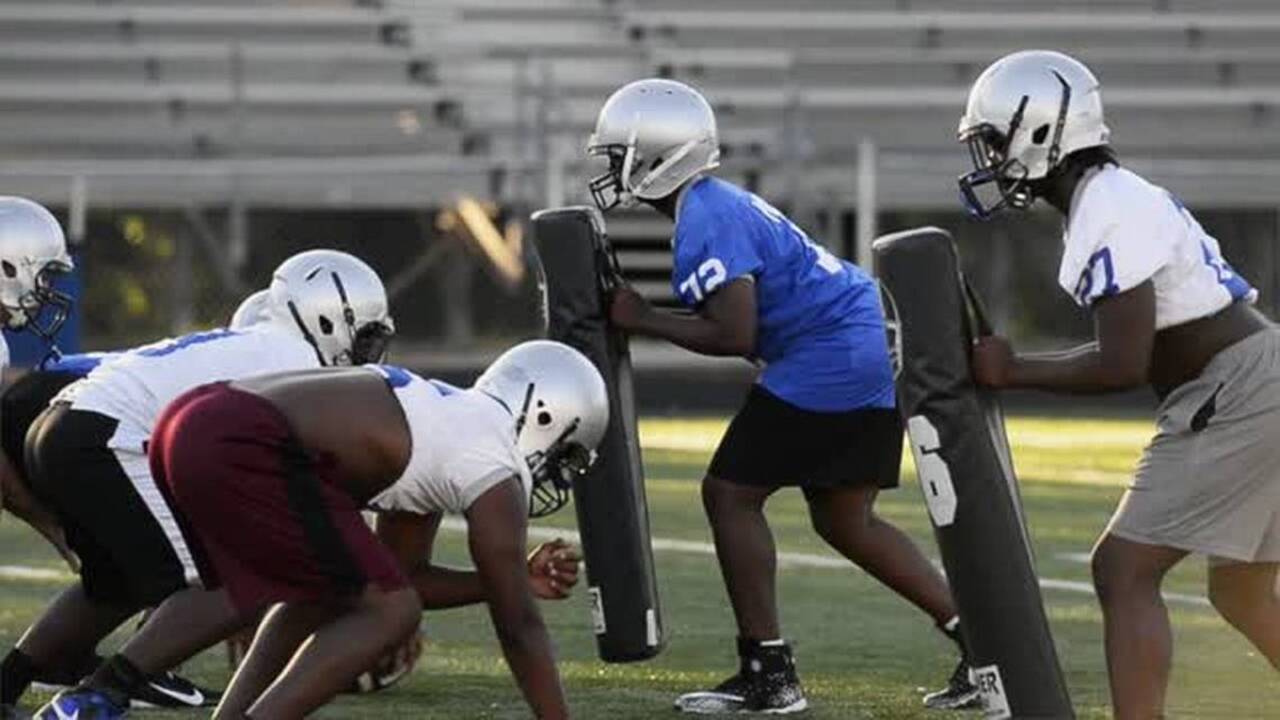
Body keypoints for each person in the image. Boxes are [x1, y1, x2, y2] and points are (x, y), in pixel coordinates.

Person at [587, 78, 976, 714]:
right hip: (862, 341)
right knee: (846, 519)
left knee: (729, 496)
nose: (609, 167)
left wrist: (641, 317)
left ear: (656, 154)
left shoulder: (705, 215)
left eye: (617, 153)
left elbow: (732, 331)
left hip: (828, 354)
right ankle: (982, 643)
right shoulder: (714, 202)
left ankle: (769, 670)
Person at [959, 50, 1280, 720]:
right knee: (1241, 587)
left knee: (1123, 570)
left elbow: (1120, 366)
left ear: (1041, 130)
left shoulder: (1108, 208)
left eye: (993, 142)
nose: (989, 161)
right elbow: (1130, 347)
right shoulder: (1111, 198)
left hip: (1241, 388)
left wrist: (1014, 370)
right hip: (1258, 375)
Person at [0, 250, 394, 719]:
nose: (369, 351)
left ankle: (8, 684)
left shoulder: (260, 345)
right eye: (367, 336)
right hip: (104, 433)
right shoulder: (296, 362)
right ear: (329, 318)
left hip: (61, 426)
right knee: (232, 576)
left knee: (116, 585)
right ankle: (98, 696)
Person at [126, 339, 605, 719]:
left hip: (190, 418)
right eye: (564, 455)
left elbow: (403, 573)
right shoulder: (494, 460)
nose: (553, 474)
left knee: (321, 591)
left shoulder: (446, 425)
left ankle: (115, 693)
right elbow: (518, 625)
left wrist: (515, 577)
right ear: (544, 415)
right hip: (238, 434)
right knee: (393, 613)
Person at [0, 291, 273, 714]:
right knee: (218, 575)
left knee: (116, 579)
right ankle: (115, 684)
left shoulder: (232, 353)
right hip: (87, 423)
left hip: (57, 416)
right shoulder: (278, 365)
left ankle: (12, 680)